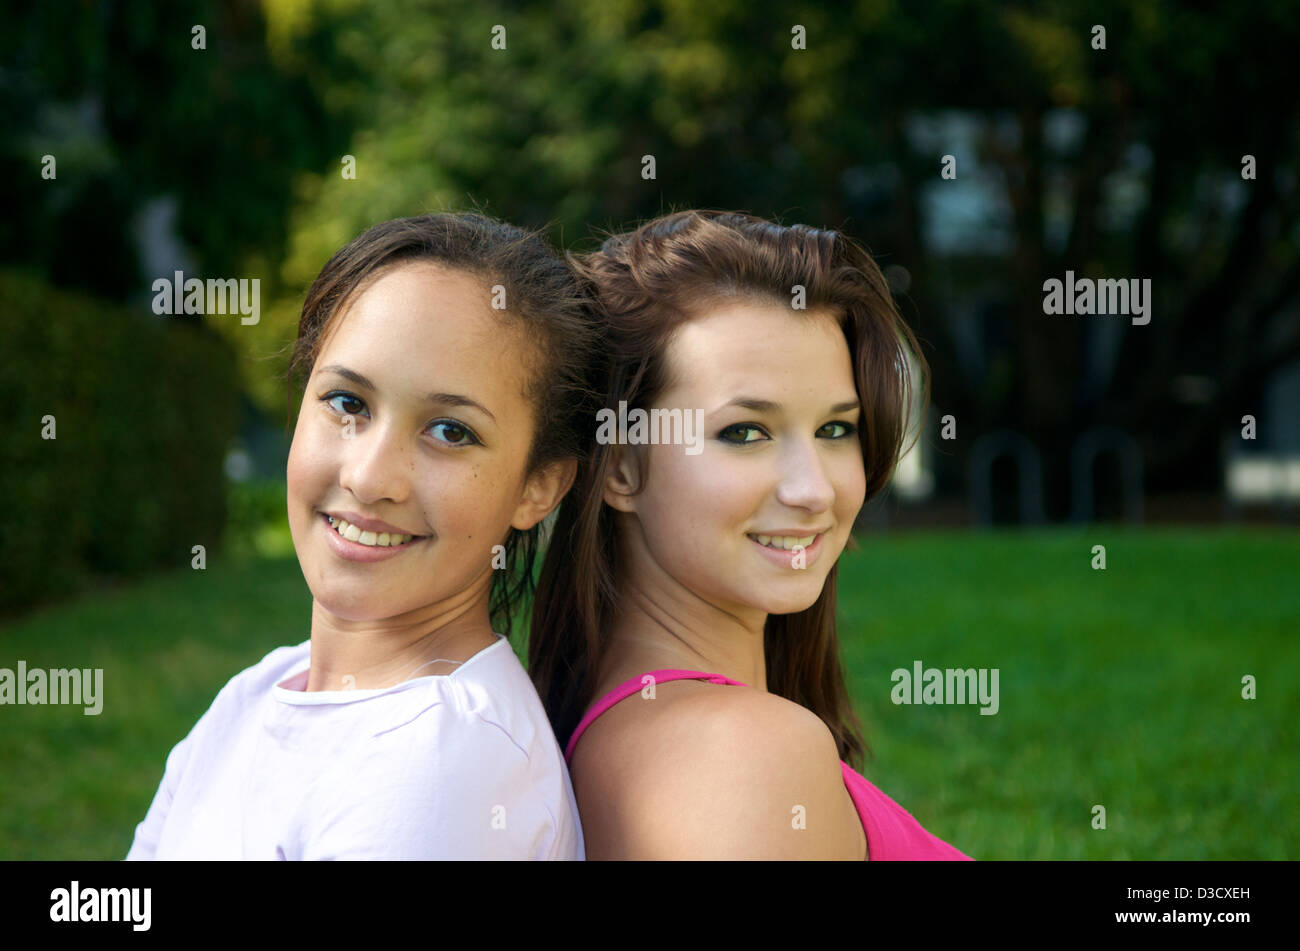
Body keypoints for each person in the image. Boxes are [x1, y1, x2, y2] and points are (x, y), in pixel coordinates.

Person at [127, 212, 600, 859]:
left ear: (537, 485)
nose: (372, 476)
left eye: (451, 431)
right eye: (348, 403)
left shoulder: (445, 760)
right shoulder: (256, 694)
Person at [529, 210, 971, 860]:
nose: (813, 489)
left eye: (835, 429)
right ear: (619, 464)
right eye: (746, 432)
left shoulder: (636, 732)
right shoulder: (738, 755)